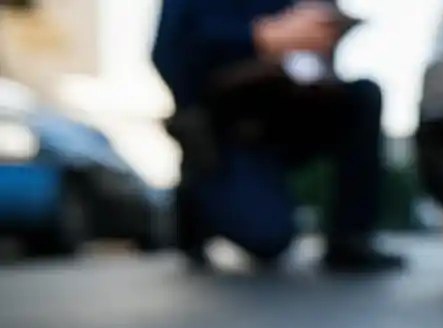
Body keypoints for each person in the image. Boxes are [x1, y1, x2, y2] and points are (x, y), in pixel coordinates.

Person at [153, 0, 403, 271]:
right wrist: (260, 38)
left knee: (363, 96)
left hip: (291, 108)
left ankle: (351, 238)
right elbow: (168, 51)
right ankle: (197, 195)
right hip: (230, 126)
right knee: (268, 239)